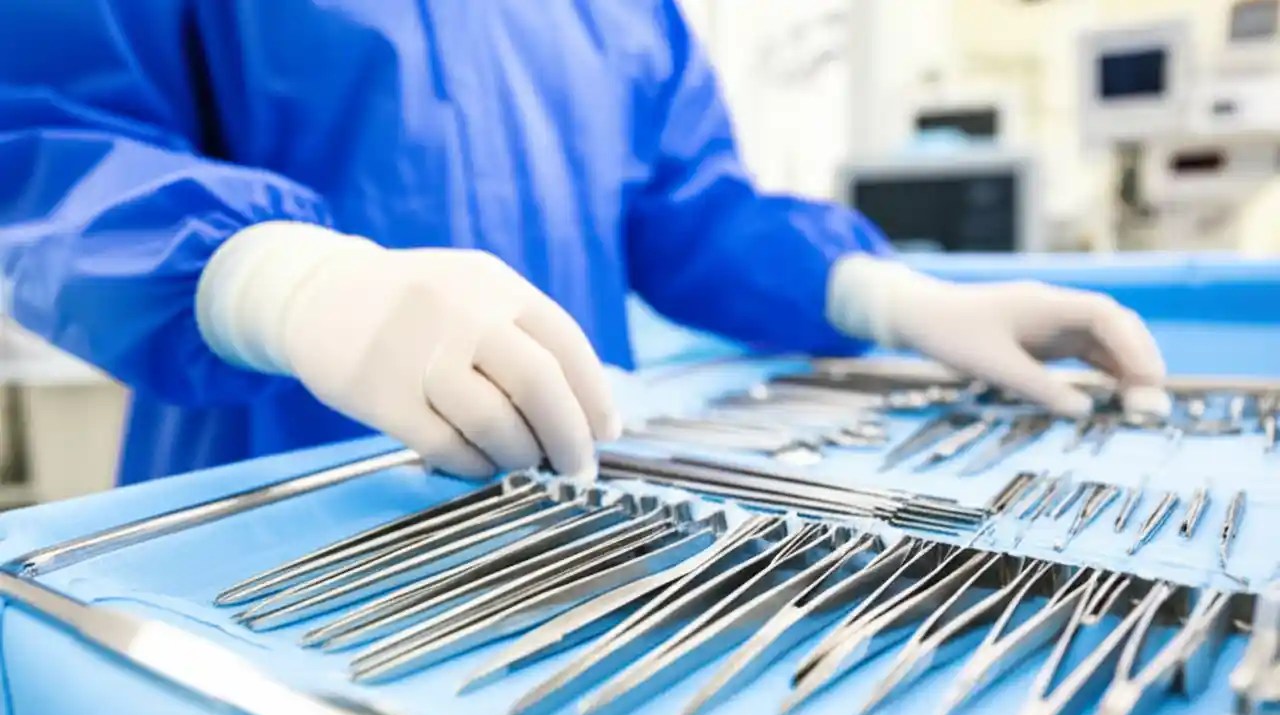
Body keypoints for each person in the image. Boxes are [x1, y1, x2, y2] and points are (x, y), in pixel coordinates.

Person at [0, 1, 1167, 485]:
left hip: (576, 500)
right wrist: (285, 284)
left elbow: (689, 210)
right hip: (270, 514)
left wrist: (894, 300)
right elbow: (50, 151)